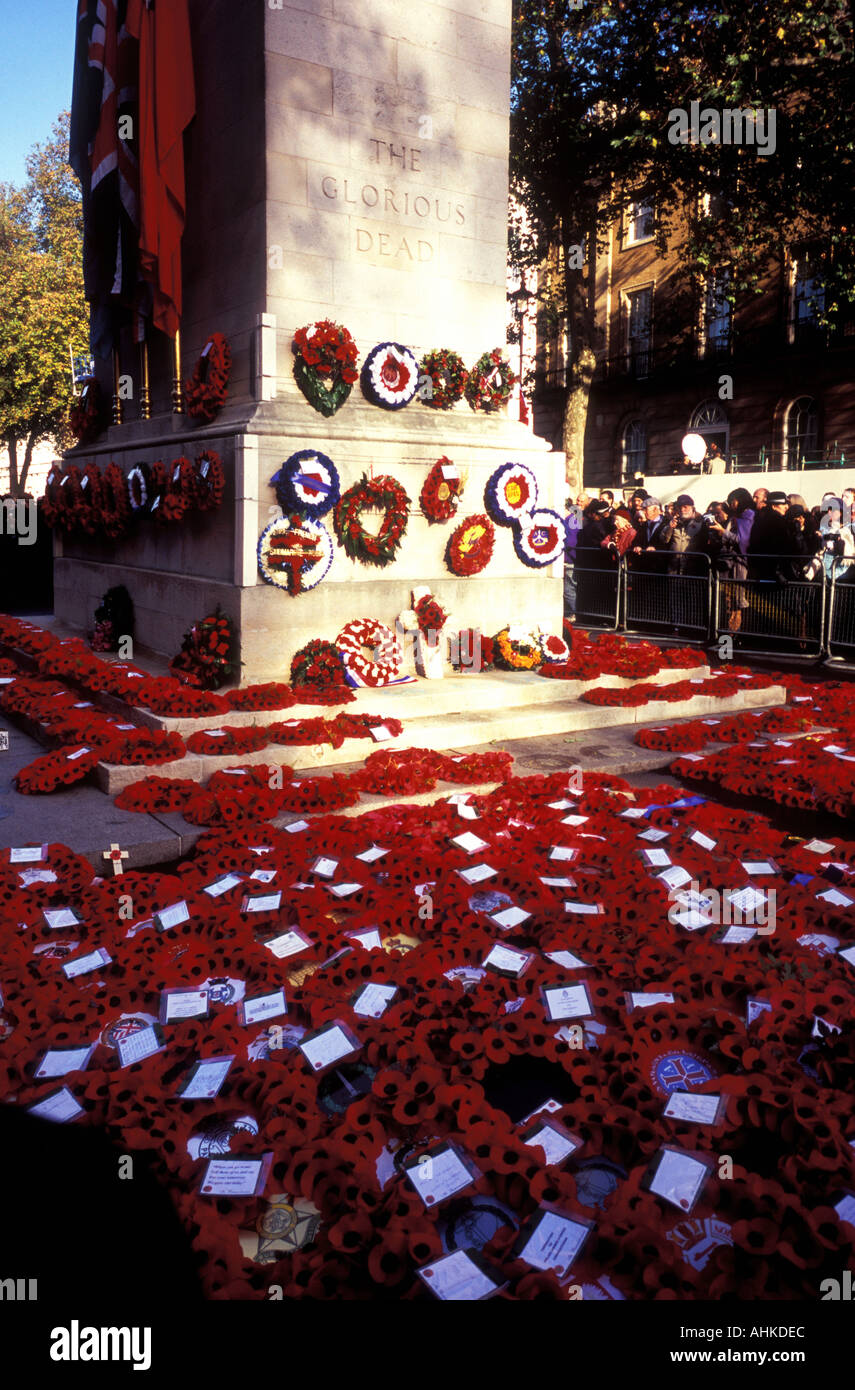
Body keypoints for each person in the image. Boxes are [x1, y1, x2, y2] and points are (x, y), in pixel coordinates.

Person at [707, 487, 754, 631]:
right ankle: (727, 635)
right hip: (728, 566)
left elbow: (742, 540)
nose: (731, 504)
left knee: (736, 603)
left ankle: (732, 637)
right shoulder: (738, 517)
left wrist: (723, 532)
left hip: (738, 567)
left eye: (732, 501)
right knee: (728, 602)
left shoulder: (748, 516)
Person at [661, 493, 709, 633]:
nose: (682, 510)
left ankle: (694, 627)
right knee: (676, 599)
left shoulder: (701, 523)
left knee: (693, 600)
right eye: (680, 507)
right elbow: (663, 539)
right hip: (675, 568)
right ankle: (678, 626)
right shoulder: (673, 523)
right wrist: (669, 527)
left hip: (693, 569)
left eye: (685, 507)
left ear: (692, 507)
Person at [575, 499, 618, 624]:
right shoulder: (596, 527)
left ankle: (588, 618)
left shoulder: (587, 527)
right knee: (598, 594)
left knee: (589, 593)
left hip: (589, 567)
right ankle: (599, 618)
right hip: (599, 566)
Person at [747, 489, 794, 582]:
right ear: (773, 506)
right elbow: (784, 547)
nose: (786, 507)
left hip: (761, 571)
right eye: (783, 504)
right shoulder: (778, 522)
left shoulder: (759, 520)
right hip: (775, 571)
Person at [563, 491, 588, 621]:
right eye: (577, 501)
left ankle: (574, 613)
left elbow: (571, 540)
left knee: (569, 588)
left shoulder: (574, 517)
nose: (578, 503)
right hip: (571, 557)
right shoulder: (575, 516)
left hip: (571, 557)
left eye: (581, 501)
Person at [820, 497, 855, 583]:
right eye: (828, 509)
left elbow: (847, 553)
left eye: (832, 510)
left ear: (841, 512)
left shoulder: (848, 529)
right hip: (824, 577)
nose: (829, 513)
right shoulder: (824, 529)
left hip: (841, 578)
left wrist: (836, 542)